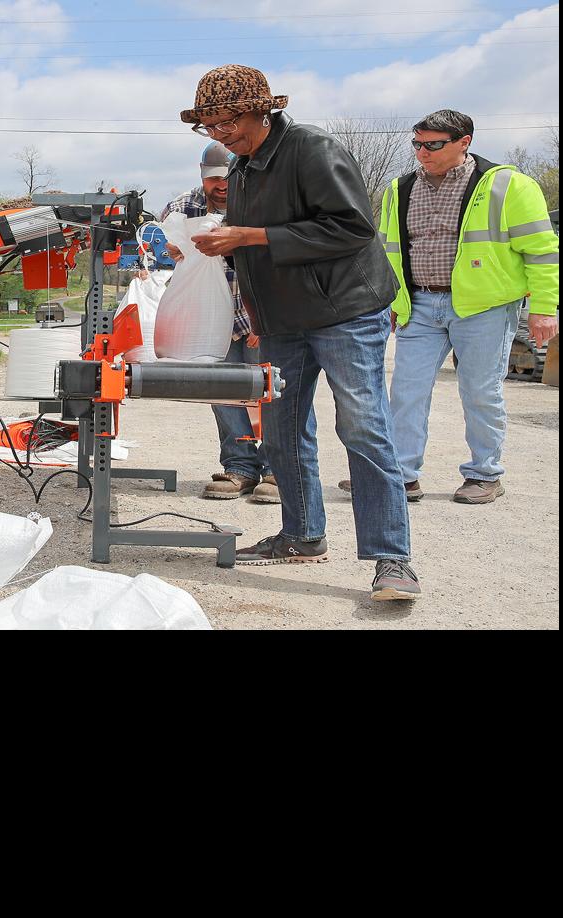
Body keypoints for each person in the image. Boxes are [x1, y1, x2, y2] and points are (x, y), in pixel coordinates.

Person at [181, 64, 419, 601]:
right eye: (209, 125)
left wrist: (251, 235)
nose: (220, 134)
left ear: (260, 109)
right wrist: (217, 245)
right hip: (282, 320)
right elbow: (254, 243)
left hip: (344, 312)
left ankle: (392, 560)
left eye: (226, 122)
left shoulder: (312, 149)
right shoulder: (241, 168)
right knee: (282, 431)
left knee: (363, 426)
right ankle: (302, 535)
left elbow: (353, 226)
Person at [347, 110, 559, 505]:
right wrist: (392, 299)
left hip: (485, 307)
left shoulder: (509, 185)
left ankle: (485, 474)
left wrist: (546, 308)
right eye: (417, 144)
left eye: (433, 145)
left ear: (464, 142)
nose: (422, 153)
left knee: (480, 391)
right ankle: (401, 475)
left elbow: (543, 251)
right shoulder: (399, 188)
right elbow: (390, 250)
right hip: (421, 304)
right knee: (406, 390)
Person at [149, 141, 278, 504]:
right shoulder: (181, 206)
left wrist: (263, 317)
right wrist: (170, 247)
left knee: (273, 393)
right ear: (202, 174)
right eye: (213, 179)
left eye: (228, 178)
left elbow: (277, 259)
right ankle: (240, 467)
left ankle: (276, 470)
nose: (221, 186)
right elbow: (165, 250)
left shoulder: (261, 202)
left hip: (256, 312)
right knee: (222, 393)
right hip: (209, 319)